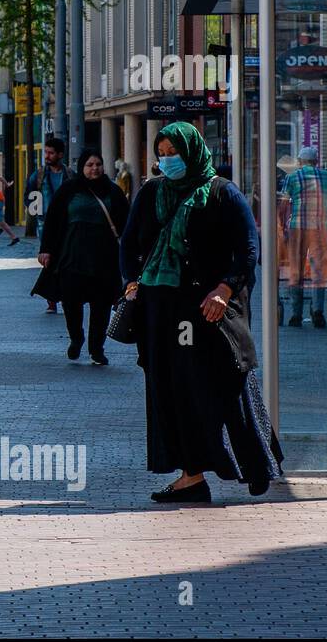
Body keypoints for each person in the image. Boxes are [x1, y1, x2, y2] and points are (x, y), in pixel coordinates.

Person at [119, 121, 282, 505]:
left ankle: (255, 464)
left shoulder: (223, 194)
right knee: (171, 390)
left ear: (192, 151)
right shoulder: (151, 192)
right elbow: (128, 243)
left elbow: (247, 250)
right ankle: (190, 477)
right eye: (161, 154)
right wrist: (130, 281)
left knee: (226, 383)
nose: (166, 160)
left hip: (207, 308)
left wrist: (225, 289)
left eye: (173, 153)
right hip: (160, 309)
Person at [39, 149, 130, 365]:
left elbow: (127, 224)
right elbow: (52, 221)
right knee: (71, 304)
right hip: (72, 257)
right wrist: (46, 249)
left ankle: (97, 348)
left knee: (102, 306)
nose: (94, 168)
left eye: (98, 164)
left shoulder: (113, 192)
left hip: (104, 260)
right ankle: (76, 339)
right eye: (90, 165)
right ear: (82, 167)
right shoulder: (69, 190)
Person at [279, 146, 327, 328]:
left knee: (296, 271)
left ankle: (296, 315)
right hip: (319, 229)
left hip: (297, 229)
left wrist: (282, 225)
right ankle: (318, 313)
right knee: (319, 272)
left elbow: (282, 206)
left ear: (300, 161)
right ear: (316, 161)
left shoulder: (292, 177)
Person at [26, 138, 73, 312]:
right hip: (44, 223)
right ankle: (52, 298)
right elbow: (30, 195)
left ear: (60, 154)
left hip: (66, 223)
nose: (47, 156)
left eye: (51, 153)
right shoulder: (39, 175)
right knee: (50, 258)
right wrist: (36, 214)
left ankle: (53, 295)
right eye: (46, 152)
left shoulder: (69, 174)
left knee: (61, 259)